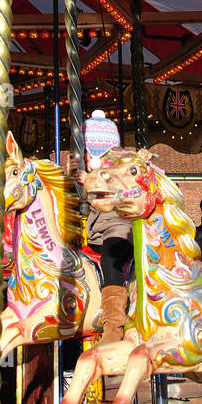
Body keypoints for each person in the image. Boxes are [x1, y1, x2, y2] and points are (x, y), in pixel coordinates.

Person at [80, 111, 133, 344]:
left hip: (120, 227)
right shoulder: (91, 168)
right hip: (95, 231)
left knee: (111, 260)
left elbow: (120, 192)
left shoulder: (122, 167)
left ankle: (113, 326)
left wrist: (88, 180)